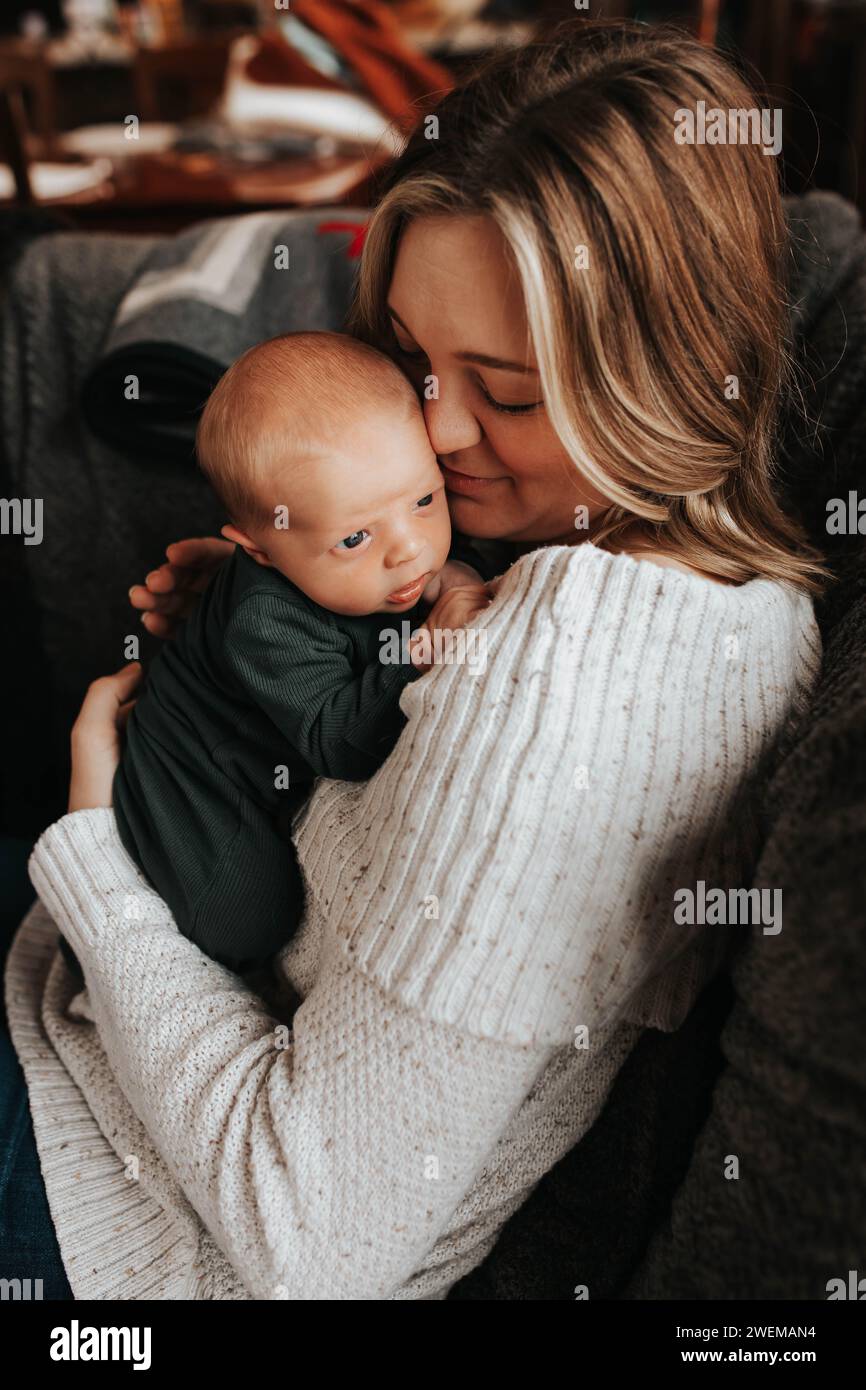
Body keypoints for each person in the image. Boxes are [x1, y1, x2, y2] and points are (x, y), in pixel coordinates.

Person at [7, 20, 828, 1299]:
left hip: (115, 1203)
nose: (431, 432)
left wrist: (92, 846)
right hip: (95, 1039)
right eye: (407, 357)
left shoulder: (562, 698)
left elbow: (308, 1241)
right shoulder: (678, 588)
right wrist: (284, 606)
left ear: (666, 378)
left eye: (500, 389)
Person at [110, 330, 488, 972]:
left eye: (424, 500)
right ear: (259, 549)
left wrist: (460, 575)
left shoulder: (385, 551)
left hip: (252, 751)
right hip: (196, 779)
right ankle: (111, 923)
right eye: (355, 538)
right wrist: (426, 644)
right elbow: (338, 742)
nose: (410, 550)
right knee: (245, 922)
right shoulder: (265, 619)